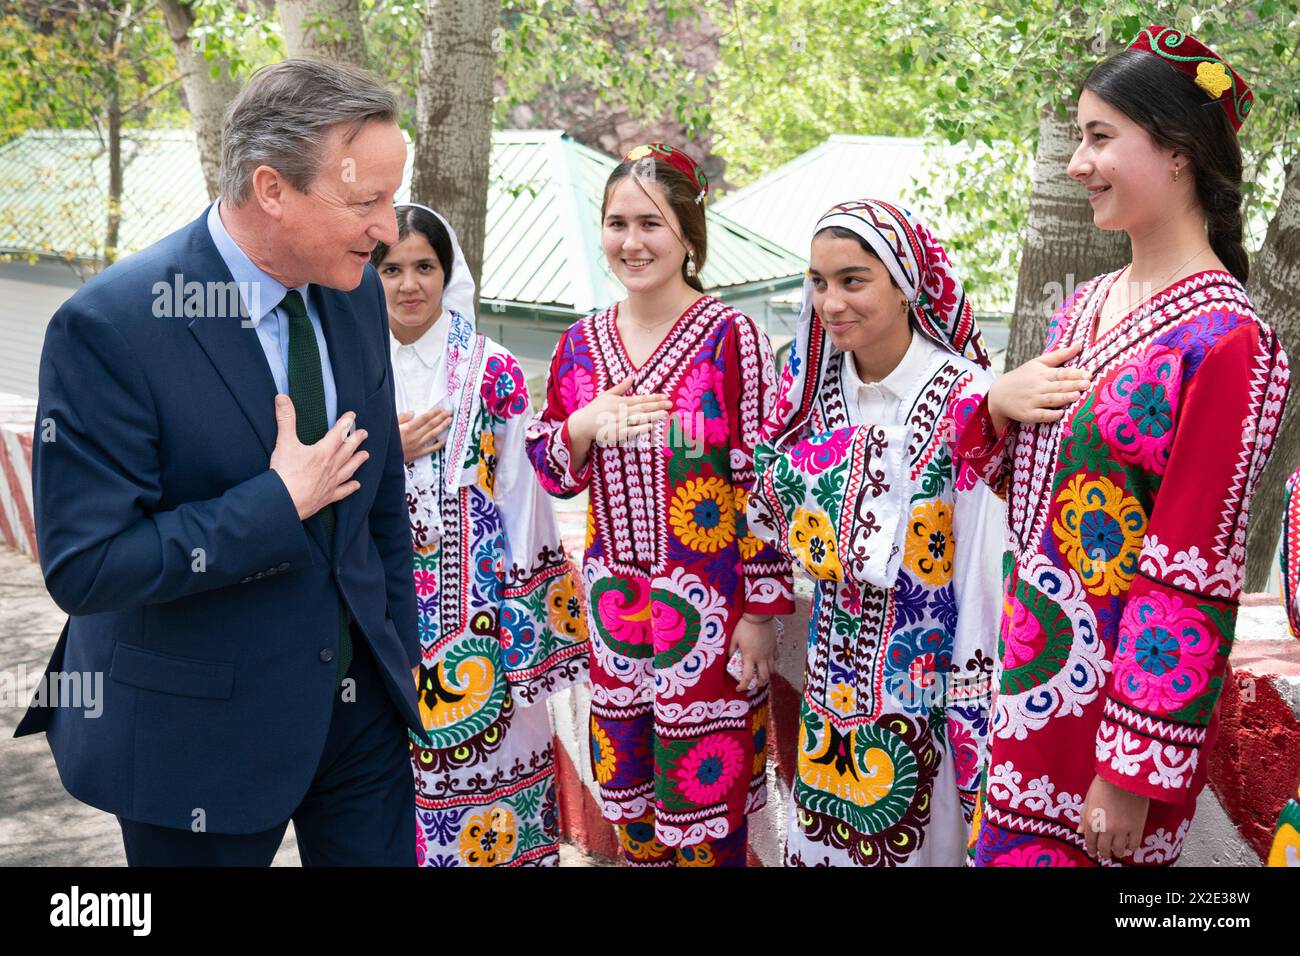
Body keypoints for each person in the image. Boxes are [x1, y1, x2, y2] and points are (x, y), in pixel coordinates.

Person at [15, 59, 425, 866]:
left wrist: (397, 658)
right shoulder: (111, 327)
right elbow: (87, 566)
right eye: (366, 201)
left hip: (361, 725)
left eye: (393, 196)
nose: (389, 227)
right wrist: (276, 503)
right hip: (194, 739)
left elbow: (379, 497)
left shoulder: (353, 292)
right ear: (272, 189)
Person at [956, 25, 1290, 866]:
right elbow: (1038, 496)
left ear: (1179, 152)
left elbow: (1194, 571)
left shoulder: (1229, 340)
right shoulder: (1092, 301)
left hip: (1108, 727)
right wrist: (997, 404)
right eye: (1077, 138)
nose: (1078, 162)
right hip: (1025, 690)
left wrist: (1132, 770)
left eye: (1100, 137)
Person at [525, 143, 794, 866]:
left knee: (710, 811)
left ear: (687, 235)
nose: (631, 241)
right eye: (617, 223)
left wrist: (762, 614)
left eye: (651, 223)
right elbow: (553, 471)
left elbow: (761, 480)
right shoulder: (579, 347)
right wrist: (582, 427)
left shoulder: (731, 338)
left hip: (713, 618)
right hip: (617, 615)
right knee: (635, 815)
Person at [745, 199, 1002, 866]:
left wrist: (974, 713)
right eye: (819, 282)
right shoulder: (812, 399)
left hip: (930, 702)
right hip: (831, 698)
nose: (831, 302)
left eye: (853, 280)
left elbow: (982, 568)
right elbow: (765, 512)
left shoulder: (967, 400)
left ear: (905, 283)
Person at [373, 203, 589, 866]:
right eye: (390, 268)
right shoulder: (348, 370)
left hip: (489, 623)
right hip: (382, 621)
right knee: (387, 803)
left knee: (501, 798)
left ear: (448, 272)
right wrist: (387, 448)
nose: (408, 284)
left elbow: (525, 500)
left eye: (424, 267)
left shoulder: (493, 370)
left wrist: (528, 633)